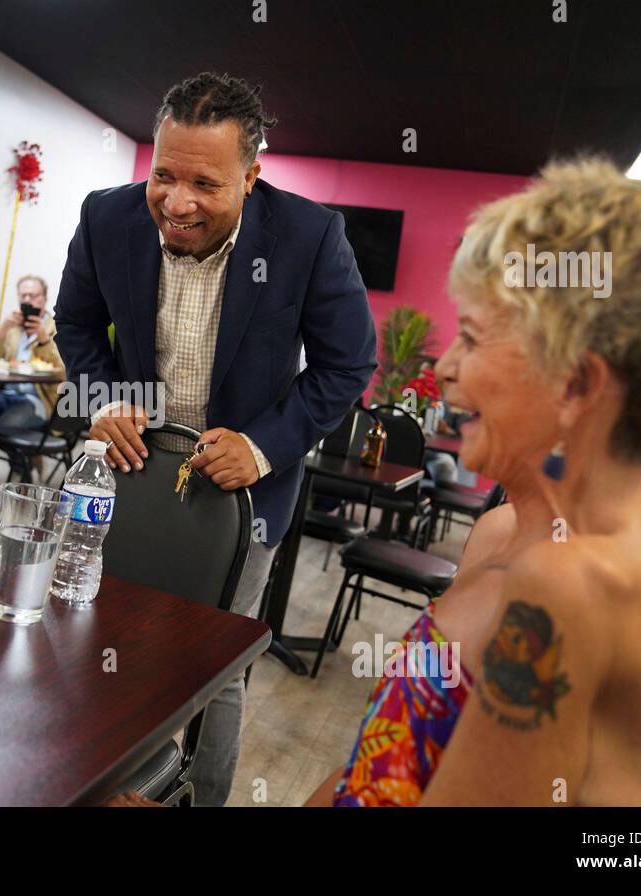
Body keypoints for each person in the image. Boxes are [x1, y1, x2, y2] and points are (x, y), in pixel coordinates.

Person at [310, 158, 641, 807]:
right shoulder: (501, 532)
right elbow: (381, 759)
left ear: (577, 384)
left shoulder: (576, 584)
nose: (446, 368)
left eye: (469, 336)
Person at [56, 72, 378, 806]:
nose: (176, 201)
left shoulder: (308, 236)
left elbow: (349, 362)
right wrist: (108, 399)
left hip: (244, 490)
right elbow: (74, 326)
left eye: (204, 183)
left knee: (212, 665)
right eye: (163, 174)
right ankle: (90, 781)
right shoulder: (106, 218)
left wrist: (263, 447)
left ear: (251, 177)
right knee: (84, 631)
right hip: (129, 469)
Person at [0, 274, 65, 431]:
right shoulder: (13, 327)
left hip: (37, 399)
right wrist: (2, 330)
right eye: (23, 295)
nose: (27, 300)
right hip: (6, 393)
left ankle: (28, 455)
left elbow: (63, 371)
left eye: (33, 295)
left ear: (45, 298)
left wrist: (44, 341)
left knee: (4, 431)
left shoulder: (56, 328)